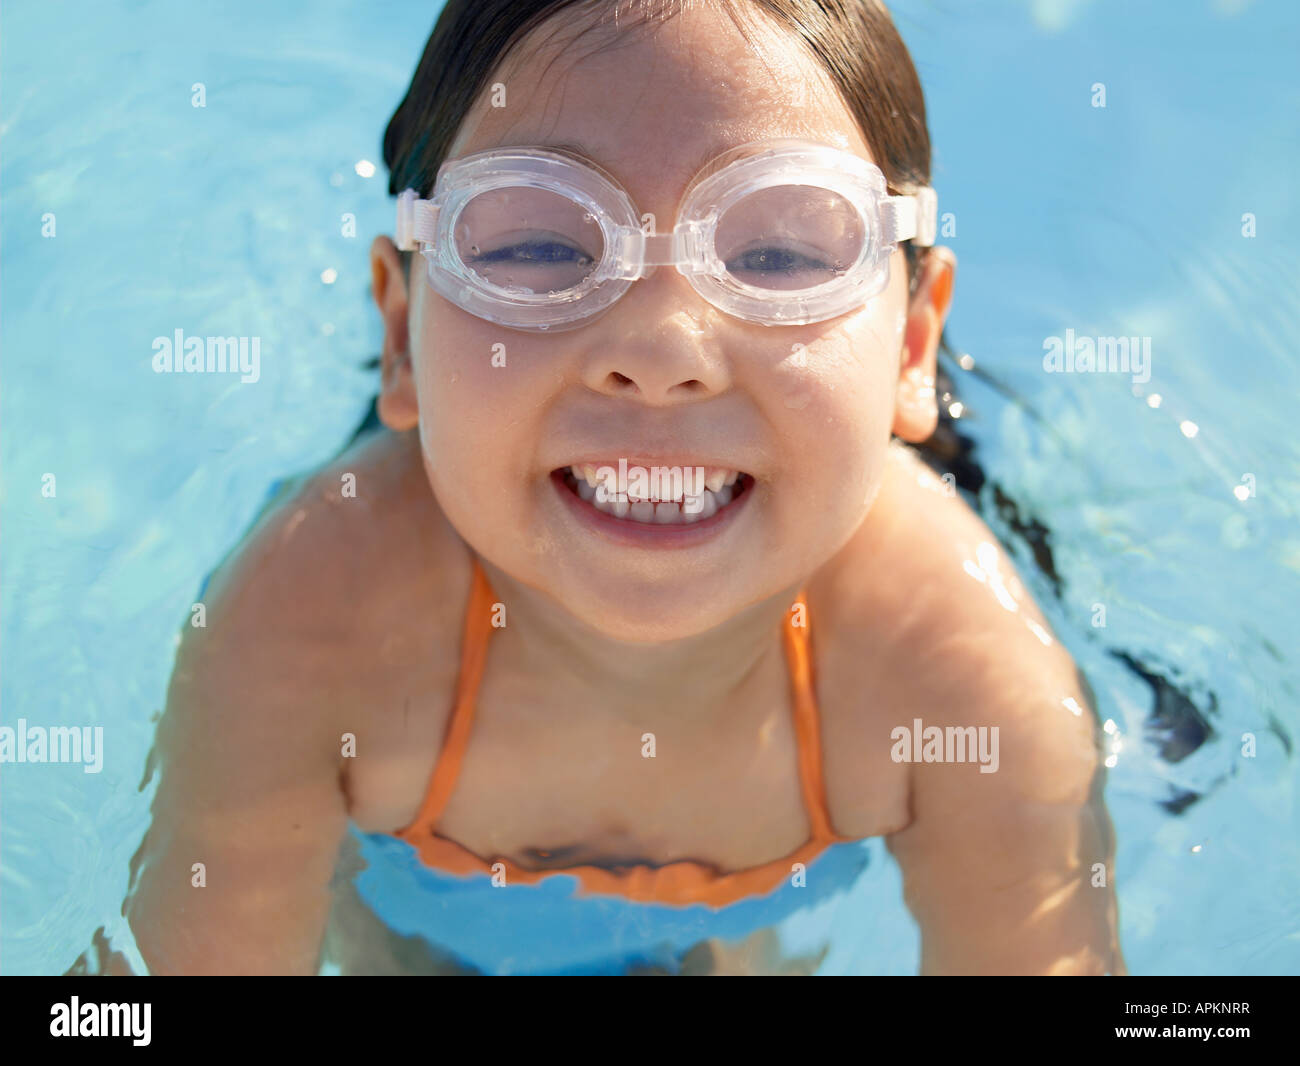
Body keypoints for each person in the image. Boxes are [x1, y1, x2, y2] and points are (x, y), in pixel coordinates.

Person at [121, 0, 1125, 975]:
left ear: (913, 345)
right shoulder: (308, 620)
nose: (659, 349)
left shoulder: (954, 673)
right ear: (401, 336)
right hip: (397, 902)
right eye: (542, 245)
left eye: (777, 255)